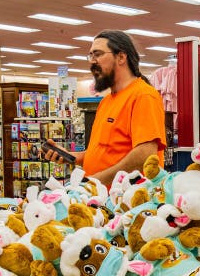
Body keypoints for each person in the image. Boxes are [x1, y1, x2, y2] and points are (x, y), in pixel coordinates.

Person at [43, 30, 166, 185]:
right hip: (101, 200)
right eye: (90, 56)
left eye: (98, 54)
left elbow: (145, 155)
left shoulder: (143, 96)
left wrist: (94, 181)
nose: (92, 61)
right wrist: (72, 156)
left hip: (126, 202)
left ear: (121, 57)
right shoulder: (106, 102)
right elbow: (106, 151)